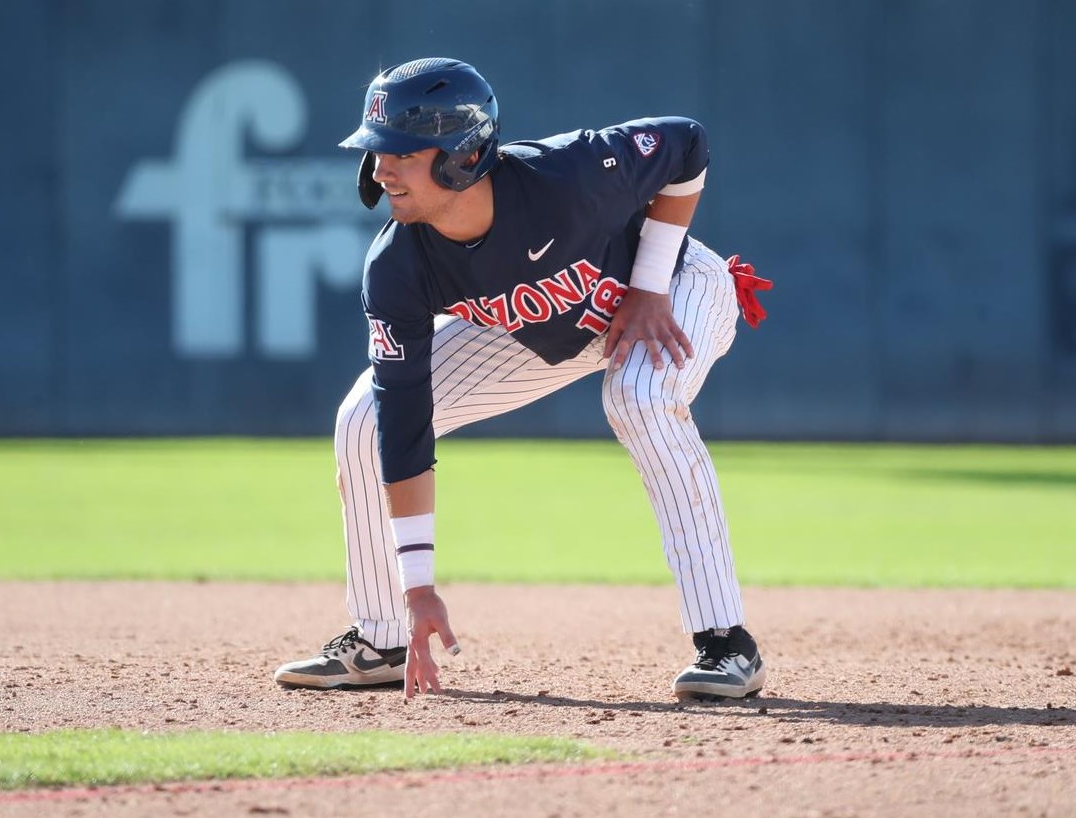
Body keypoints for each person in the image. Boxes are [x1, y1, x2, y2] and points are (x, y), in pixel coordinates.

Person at [273, 58, 772, 701]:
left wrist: (648, 287)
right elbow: (403, 422)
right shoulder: (397, 267)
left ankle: (728, 644)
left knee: (640, 398)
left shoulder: (566, 175)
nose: (381, 168)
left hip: (671, 289)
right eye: (375, 152)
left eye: (400, 151)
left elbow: (687, 142)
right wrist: (418, 585)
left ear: (463, 153)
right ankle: (381, 639)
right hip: (540, 321)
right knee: (365, 421)